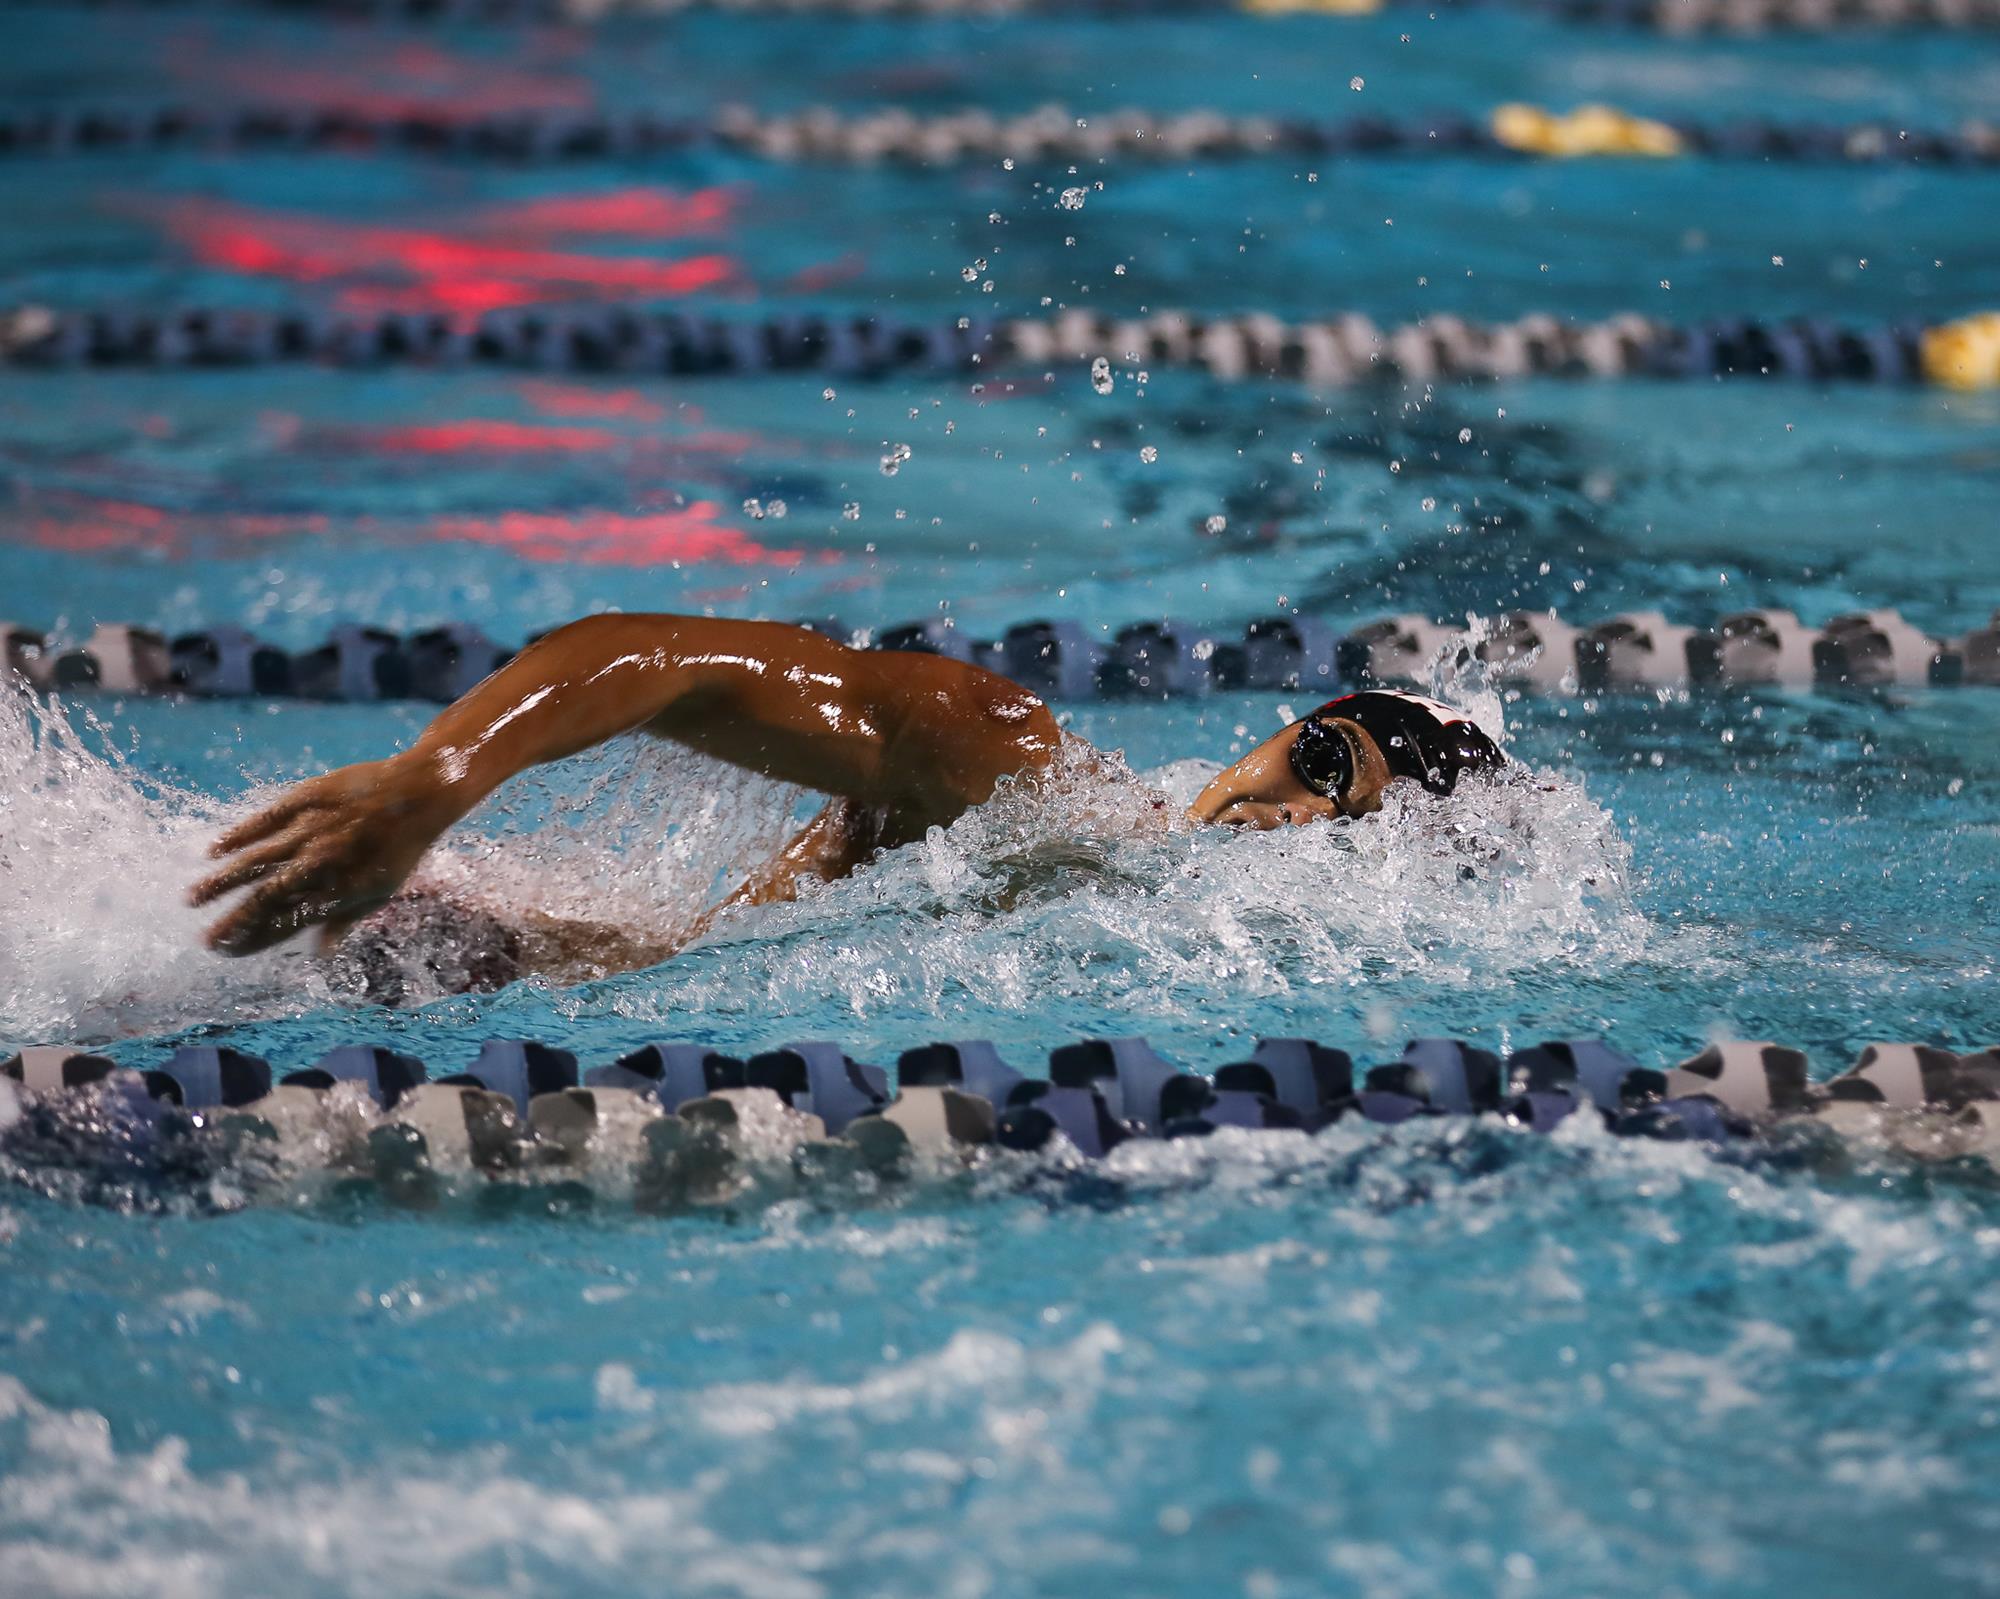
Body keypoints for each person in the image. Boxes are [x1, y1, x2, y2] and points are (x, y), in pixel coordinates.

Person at [190, 614, 1502, 989]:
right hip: (407, 952)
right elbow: (661, 661)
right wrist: (431, 784)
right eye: (1323, 770)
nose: (1296, 820)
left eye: (1356, 831)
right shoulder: (1018, 773)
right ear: (1287, 730)